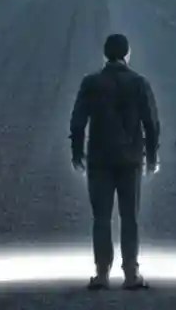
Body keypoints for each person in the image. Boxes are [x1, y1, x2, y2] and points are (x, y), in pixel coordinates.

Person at [69, 33, 161, 291]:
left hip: (99, 158)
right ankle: (131, 273)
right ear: (127, 54)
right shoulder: (139, 83)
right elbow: (151, 123)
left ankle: (101, 273)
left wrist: (77, 152)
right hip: (131, 158)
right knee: (129, 216)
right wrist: (152, 156)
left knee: (101, 216)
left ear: (105, 55)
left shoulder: (91, 83)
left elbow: (77, 121)